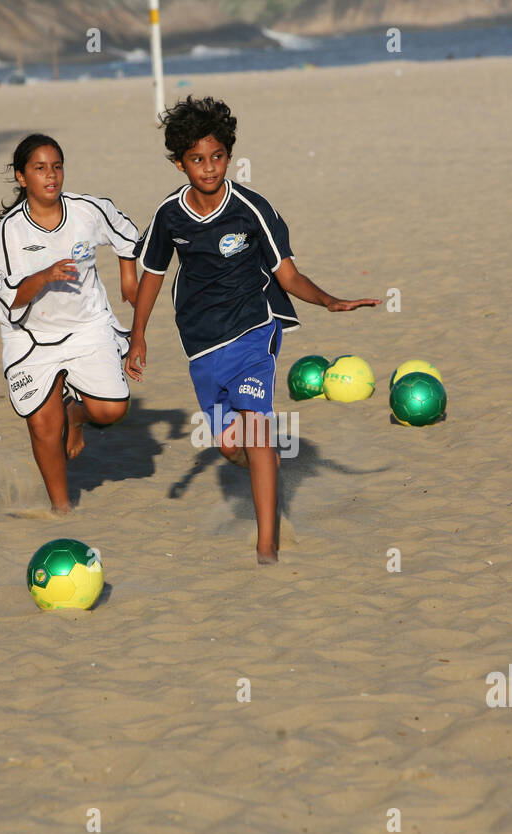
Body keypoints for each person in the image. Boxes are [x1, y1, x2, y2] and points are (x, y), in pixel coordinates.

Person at [126, 97, 380, 563]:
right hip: (201, 343)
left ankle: (268, 546)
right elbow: (153, 276)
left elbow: (287, 275)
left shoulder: (251, 209)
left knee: (259, 432)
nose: (209, 168)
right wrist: (137, 334)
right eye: (198, 159)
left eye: (218, 156)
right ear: (180, 161)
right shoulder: (169, 215)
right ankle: (263, 464)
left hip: (253, 329)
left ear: (230, 155)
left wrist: (328, 300)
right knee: (228, 446)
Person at [0, 133, 140, 513]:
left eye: (56, 167)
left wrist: (128, 277)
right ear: (22, 178)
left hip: (87, 327)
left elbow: (127, 234)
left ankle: (75, 414)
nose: (51, 175)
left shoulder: (87, 210)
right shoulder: (10, 230)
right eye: (40, 169)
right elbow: (11, 296)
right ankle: (61, 509)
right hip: (31, 336)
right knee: (42, 427)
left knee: (112, 410)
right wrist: (45, 275)